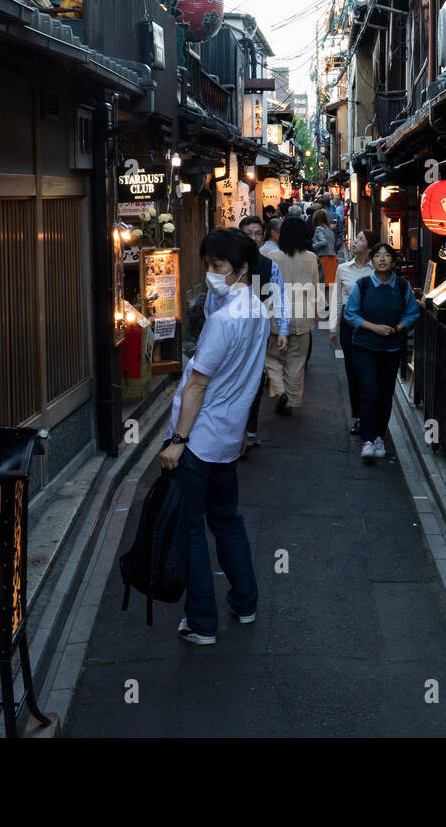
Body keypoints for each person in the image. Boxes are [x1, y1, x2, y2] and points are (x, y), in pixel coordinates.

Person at [160, 228, 270, 645]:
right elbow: (249, 379)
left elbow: (197, 385)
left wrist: (178, 440)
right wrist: (241, 429)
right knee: (227, 520)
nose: (210, 273)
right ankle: (245, 603)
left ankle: (202, 622)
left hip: (199, 439)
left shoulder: (224, 321)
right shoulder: (256, 312)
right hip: (226, 439)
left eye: (217, 266)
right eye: (207, 265)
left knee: (191, 528)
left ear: (241, 268)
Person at [344, 242, 420, 462]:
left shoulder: (403, 287)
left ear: (393, 262)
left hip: (391, 347)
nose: (382, 259)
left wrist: (398, 328)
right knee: (369, 391)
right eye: (378, 255)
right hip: (364, 346)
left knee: (385, 394)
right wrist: (374, 327)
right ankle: (368, 439)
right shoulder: (363, 285)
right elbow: (351, 314)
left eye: (387, 255)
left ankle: (379, 436)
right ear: (372, 261)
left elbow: (412, 313)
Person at [229, 215, 290, 448]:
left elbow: (281, 297)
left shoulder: (268, 265)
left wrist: (283, 329)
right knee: (232, 377)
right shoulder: (228, 263)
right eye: (248, 234)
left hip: (258, 330)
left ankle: (250, 430)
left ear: (263, 236)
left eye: (257, 234)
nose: (253, 238)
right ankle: (233, 428)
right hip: (231, 330)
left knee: (254, 379)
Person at [264, 217, 323, 415]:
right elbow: (315, 287)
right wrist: (316, 312)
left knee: (272, 357)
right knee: (297, 362)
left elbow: (267, 288)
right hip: (303, 314)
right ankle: (291, 398)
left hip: (277, 314)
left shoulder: (273, 255)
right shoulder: (311, 257)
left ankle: (280, 390)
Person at [330, 229, 375, 435]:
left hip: (371, 325)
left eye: (360, 239)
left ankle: (372, 414)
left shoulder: (376, 270)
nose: (355, 241)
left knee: (371, 372)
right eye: (356, 238)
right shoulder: (343, 268)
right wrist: (333, 327)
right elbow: (336, 299)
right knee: (353, 371)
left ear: (370, 247)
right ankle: (358, 417)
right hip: (349, 326)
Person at [311, 209, 338, 290]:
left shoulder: (319, 228)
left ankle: (323, 303)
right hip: (332, 259)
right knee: (330, 287)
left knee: (322, 286)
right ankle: (329, 303)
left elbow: (323, 242)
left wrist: (312, 246)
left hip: (324, 259)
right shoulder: (329, 229)